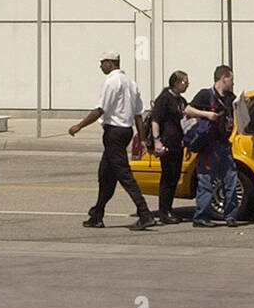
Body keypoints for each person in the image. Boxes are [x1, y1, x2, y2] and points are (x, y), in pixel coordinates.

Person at [69, 52, 156, 231]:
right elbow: (139, 115)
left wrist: (79, 125)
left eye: (102, 63)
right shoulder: (131, 83)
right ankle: (97, 214)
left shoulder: (111, 82)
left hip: (114, 134)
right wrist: (141, 138)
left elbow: (100, 109)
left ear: (110, 63)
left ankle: (144, 213)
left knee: (124, 175)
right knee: (105, 175)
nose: (100, 66)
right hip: (125, 132)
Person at [151, 70, 217, 224]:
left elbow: (187, 114)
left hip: (178, 144)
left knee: (174, 177)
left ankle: (169, 209)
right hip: (166, 143)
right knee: (167, 178)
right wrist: (157, 141)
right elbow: (156, 120)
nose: (187, 84)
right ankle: (164, 212)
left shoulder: (180, 100)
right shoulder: (164, 98)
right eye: (185, 81)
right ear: (176, 82)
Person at [189, 64, 239, 227]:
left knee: (231, 181)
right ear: (223, 78)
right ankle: (201, 217)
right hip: (209, 146)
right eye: (231, 79)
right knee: (206, 181)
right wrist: (206, 114)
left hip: (225, 145)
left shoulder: (231, 98)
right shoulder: (205, 95)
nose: (233, 82)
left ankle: (231, 215)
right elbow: (188, 110)